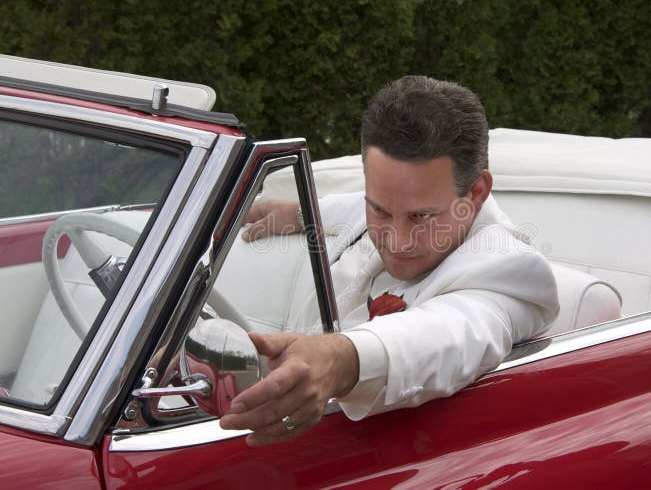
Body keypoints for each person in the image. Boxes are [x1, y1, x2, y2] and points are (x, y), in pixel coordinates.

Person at [219, 75, 559, 446]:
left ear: (476, 193)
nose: (396, 240)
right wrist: (298, 213)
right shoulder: (396, 201)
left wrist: (338, 360)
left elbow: (450, 335)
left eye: (421, 217)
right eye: (379, 209)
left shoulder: (509, 269)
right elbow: (347, 206)